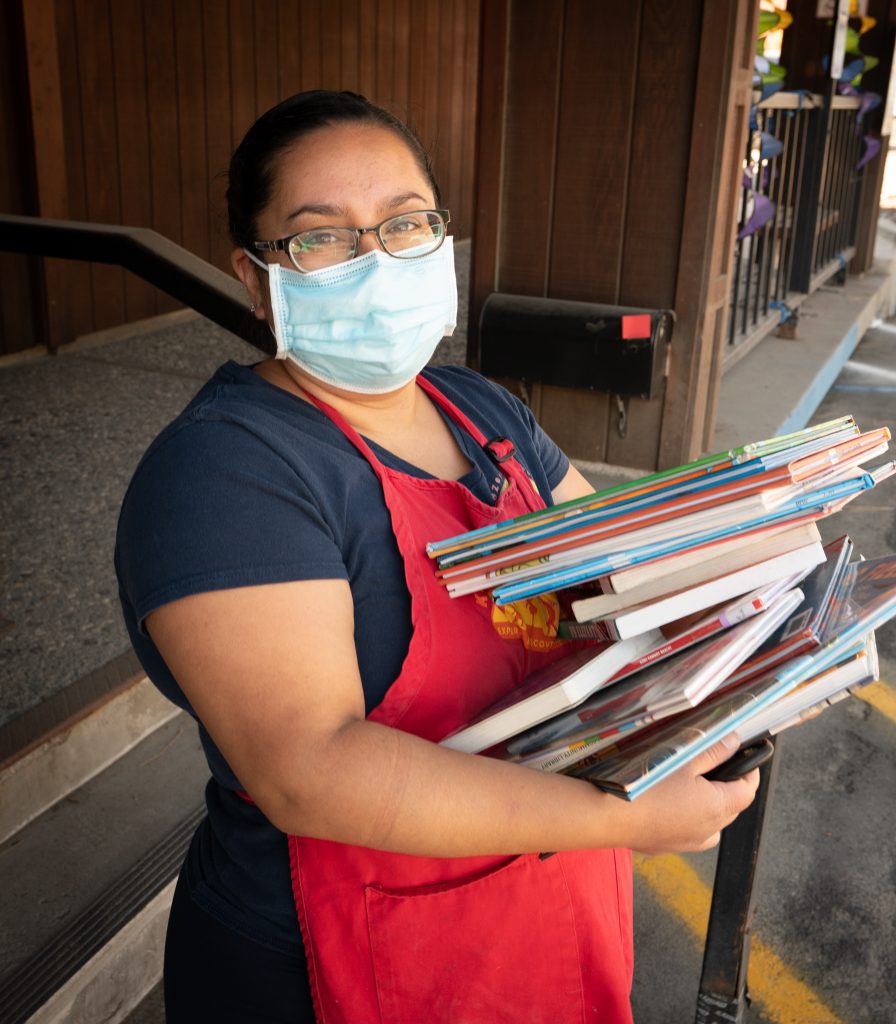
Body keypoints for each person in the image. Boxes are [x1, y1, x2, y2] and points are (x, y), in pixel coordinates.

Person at [115, 90, 759, 1024]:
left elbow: (621, 570)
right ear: (257, 280)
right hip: (332, 962)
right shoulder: (225, 473)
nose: (377, 259)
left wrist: (761, 611)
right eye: (322, 237)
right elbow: (309, 768)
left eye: (405, 223)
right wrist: (628, 819)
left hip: (543, 918)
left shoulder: (479, 409)